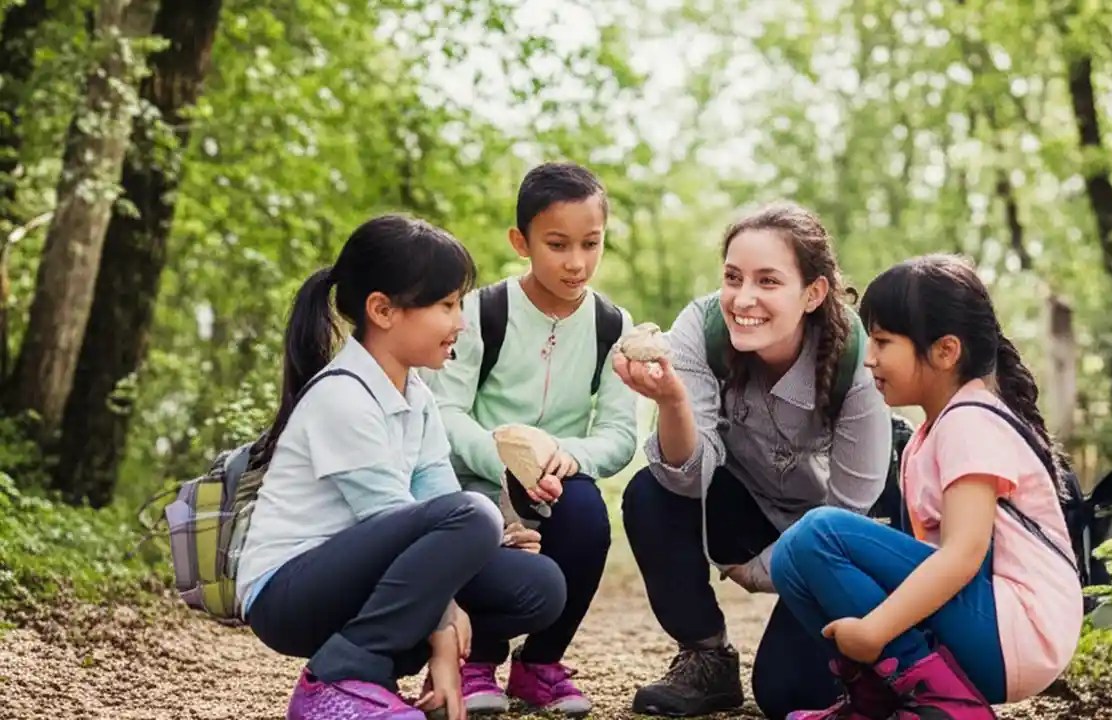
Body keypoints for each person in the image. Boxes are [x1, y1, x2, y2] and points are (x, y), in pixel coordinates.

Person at [235, 214, 567, 720]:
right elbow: (397, 522)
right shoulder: (343, 396)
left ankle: (374, 676)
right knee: (474, 515)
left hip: (360, 572)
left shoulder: (416, 395)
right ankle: (334, 681)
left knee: (537, 584)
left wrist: (489, 542)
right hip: (288, 592)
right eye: (447, 305)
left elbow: (435, 501)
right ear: (383, 310)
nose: (460, 321)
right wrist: (444, 645)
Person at [770, 254, 1084, 720]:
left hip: (1016, 629)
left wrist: (875, 631)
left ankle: (945, 702)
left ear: (945, 351)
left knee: (820, 534)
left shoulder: (970, 421)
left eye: (882, 341)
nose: (869, 357)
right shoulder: (932, 432)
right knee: (789, 557)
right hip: (991, 627)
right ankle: (878, 699)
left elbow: (962, 555)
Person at [613, 202, 892, 720]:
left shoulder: (857, 357)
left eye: (768, 281)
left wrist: (760, 571)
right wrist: (672, 402)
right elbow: (689, 477)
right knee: (649, 492)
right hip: (743, 508)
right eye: (733, 277)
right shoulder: (700, 328)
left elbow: (848, 512)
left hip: (827, 535)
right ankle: (706, 656)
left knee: (790, 695)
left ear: (813, 293)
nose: (744, 299)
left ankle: (882, 657)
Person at [427, 162, 637, 716]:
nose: (577, 262)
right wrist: (503, 465)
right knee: (481, 521)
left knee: (589, 518)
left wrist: (568, 456)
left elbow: (618, 434)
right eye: (557, 244)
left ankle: (540, 664)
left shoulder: (612, 326)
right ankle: (479, 660)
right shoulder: (480, 312)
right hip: (480, 475)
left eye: (591, 244)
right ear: (521, 242)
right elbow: (445, 411)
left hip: (557, 480)